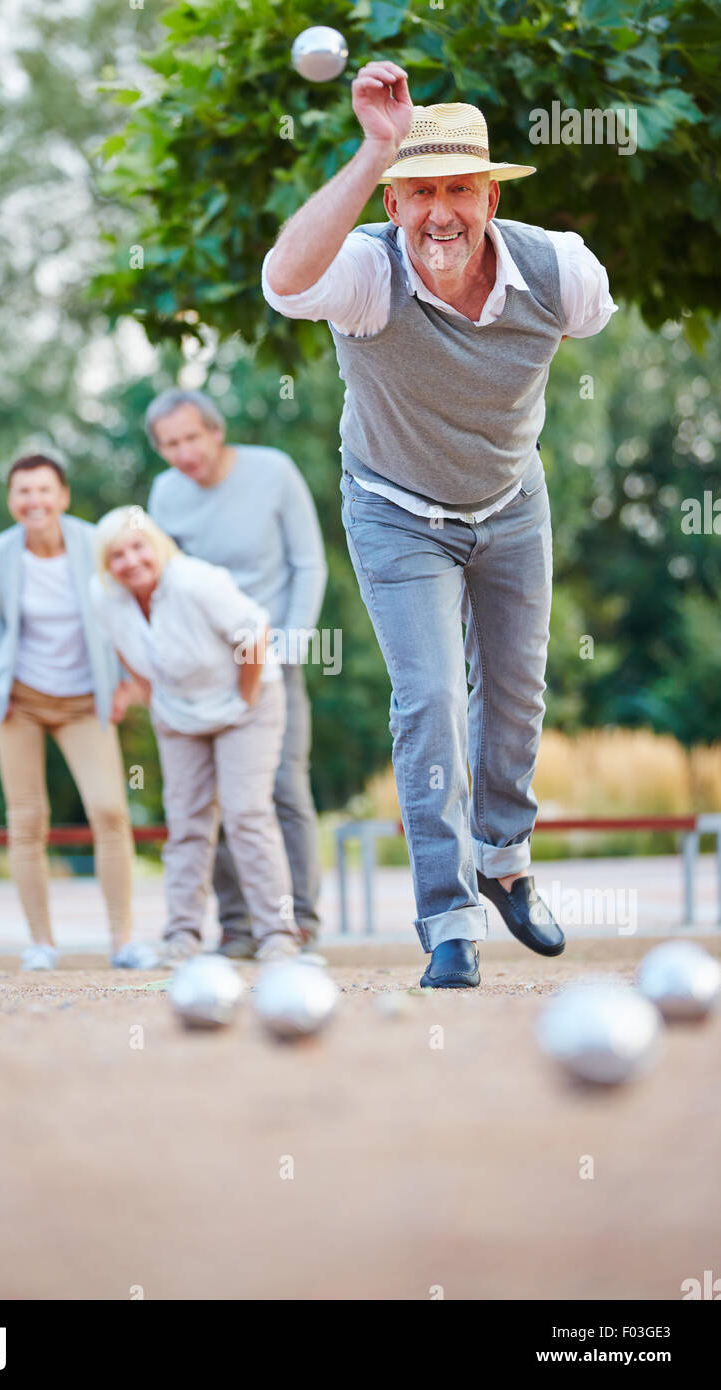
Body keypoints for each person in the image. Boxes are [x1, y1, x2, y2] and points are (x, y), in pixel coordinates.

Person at [262, 74, 617, 989]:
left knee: (516, 694)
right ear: (393, 203)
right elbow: (282, 278)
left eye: (459, 189)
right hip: (395, 509)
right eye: (419, 192)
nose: (440, 213)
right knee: (429, 703)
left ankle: (504, 859)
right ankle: (448, 918)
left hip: (510, 502)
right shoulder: (368, 274)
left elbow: (590, 322)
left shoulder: (561, 274)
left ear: (491, 196)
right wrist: (377, 145)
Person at [145, 388, 327, 960]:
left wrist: (292, 645)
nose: (183, 453)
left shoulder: (273, 472)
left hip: (271, 661)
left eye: (191, 437)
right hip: (203, 669)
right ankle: (238, 924)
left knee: (279, 789)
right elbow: (161, 580)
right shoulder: (165, 495)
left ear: (215, 431)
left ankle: (296, 920)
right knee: (211, 798)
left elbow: (308, 562)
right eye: (169, 444)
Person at [90, 505, 302, 965]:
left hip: (246, 700)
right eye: (117, 555)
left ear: (156, 546)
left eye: (137, 547)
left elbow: (255, 633)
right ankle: (181, 936)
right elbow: (123, 647)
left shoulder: (193, 580)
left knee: (246, 814)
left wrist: (243, 703)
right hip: (179, 711)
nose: (130, 561)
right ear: (106, 566)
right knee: (185, 822)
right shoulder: (104, 597)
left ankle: (278, 935)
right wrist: (153, 697)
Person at [0, 454, 152, 971]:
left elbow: (118, 613)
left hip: (82, 701)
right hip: (21, 699)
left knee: (110, 812)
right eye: (23, 492)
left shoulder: (91, 544)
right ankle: (42, 944)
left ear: (64, 496)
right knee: (27, 819)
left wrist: (125, 682)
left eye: (44, 490)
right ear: (12, 501)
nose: (34, 501)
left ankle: (122, 941)